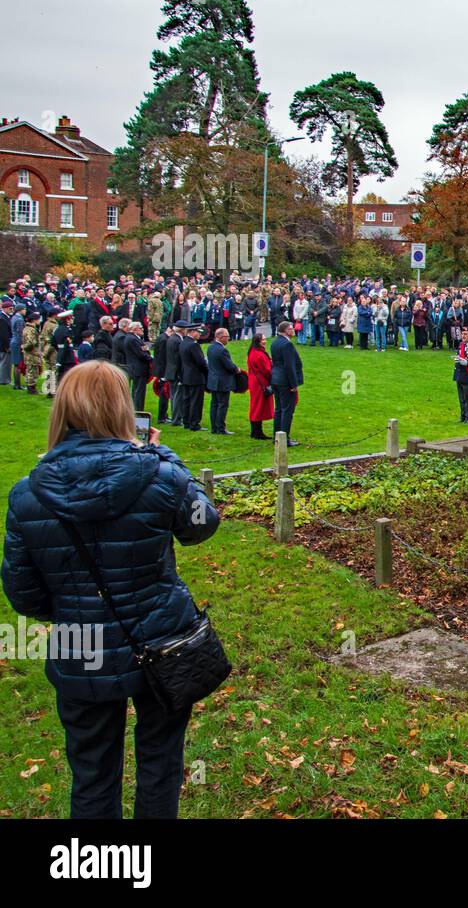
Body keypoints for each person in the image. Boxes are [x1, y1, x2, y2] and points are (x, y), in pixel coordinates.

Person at [1, 360, 221, 817]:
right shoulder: (159, 475)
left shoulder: (27, 495)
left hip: (86, 642)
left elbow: (25, 595)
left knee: (92, 774)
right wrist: (167, 457)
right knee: (160, 764)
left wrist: (73, 605)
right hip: (158, 633)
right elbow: (201, 524)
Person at [270, 321, 304, 447]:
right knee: (287, 410)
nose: (293, 330)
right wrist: (294, 384)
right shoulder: (287, 345)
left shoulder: (275, 342)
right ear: (285, 331)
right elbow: (289, 366)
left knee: (279, 409)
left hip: (276, 379)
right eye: (290, 329)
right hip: (285, 380)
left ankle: (276, 436)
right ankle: (284, 437)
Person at [177, 322, 207, 431]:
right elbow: (201, 362)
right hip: (196, 376)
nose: (199, 335)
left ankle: (187, 421)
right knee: (196, 401)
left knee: (187, 400)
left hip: (186, 375)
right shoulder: (194, 345)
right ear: (193, 332)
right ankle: (194, 423)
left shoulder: (183, 342)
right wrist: (207, 371)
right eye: (198, 332)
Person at [247, 333, 273, 440]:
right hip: (260, 383)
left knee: (256, 406)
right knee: (258, 407)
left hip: (255, 382)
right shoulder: (258, 354)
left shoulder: (253, 352)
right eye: (263, 339)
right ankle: (257, 432)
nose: (265, 341)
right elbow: (266, 370)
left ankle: (256, 431)